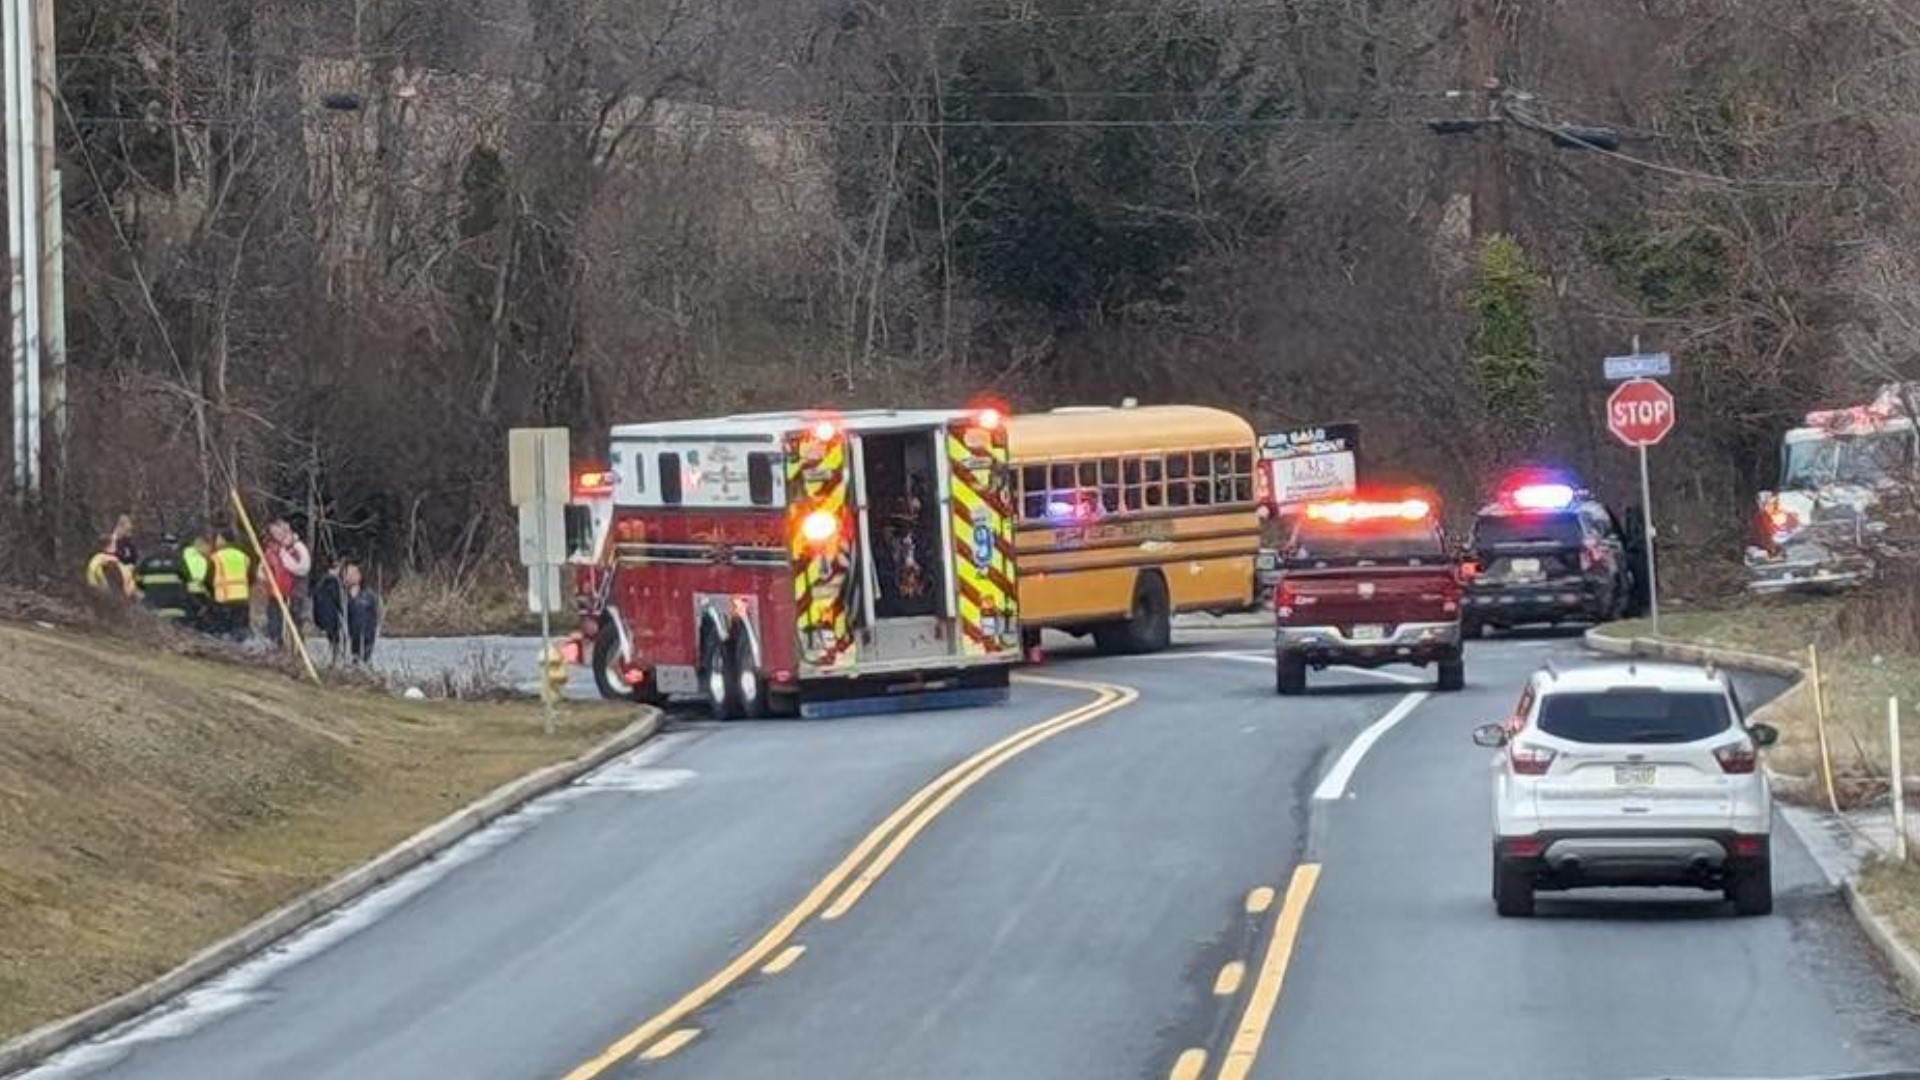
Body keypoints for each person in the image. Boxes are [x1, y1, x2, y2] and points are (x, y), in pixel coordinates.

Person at [260, 519, 312, 647]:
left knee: (295, 621)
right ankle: (276, 645)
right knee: (275, 619)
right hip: (277, 592)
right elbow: (262, 569)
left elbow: (302, 568)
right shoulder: (273, 550)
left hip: (295, 592)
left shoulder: (298, 548)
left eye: (280, 533)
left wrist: (284, 557)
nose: (279, 536)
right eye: (275, 533)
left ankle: (296, 649)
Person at [132, 535, 191, 622]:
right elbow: (187, 583)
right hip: (173, 607)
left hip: (152, 606)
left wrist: (145, 593)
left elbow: (137, 580)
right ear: (175, 546)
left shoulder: (147, 560)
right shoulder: (179, 561)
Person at [209, 528, 253, 640]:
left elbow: (209, 577)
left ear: (223, 540)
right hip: (242, 598)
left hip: (224, 598)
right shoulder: (243, 556)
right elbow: (251, 576)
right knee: (241, 630)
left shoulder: (216, 557)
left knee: (225, 631)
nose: (216, 541)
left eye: (218, 538)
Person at [179, 526, 215, 631]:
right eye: (208, 547)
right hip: (198, 591)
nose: (210, 550)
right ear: (201, 544)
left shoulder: (184, 554)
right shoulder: (202, 560)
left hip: (184, 592)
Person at [344, 563, 380, 664]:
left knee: (364, 660)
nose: (350, 576)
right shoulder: (344, 595)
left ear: (360, 575)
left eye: (353, 573)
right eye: (348, 573)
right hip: (352, 637)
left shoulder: (368, 595)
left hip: (366, 636)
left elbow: (375, 615)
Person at [311, 561, 346, 663]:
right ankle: (335, 660)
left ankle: (330, 660)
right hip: (331, 616)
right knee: (335, 640)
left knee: (330, 639)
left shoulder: (320, 582)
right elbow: (337, 600)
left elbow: (315, 599)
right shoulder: (333, 582)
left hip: (321, 616)